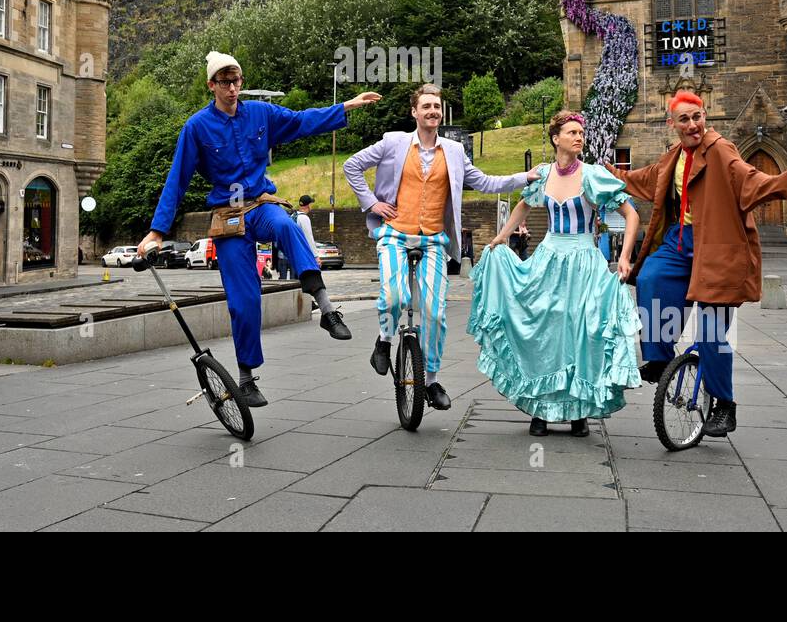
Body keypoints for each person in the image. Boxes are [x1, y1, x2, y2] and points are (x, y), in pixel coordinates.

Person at [138, 52, 381, 409]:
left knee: (287, 223)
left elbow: (301, 122)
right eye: (225, 83)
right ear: (212, 85)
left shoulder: (260, 113)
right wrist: (157, 233)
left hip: (260, 204)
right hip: (228, 216)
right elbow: (177, 180)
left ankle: (327, 308)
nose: (233, 88)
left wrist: (345, 106)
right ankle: (247, 378)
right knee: (244, 300)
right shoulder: (196, 127)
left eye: (237, 81)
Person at [608, 90, 787, 437]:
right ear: (672, 124)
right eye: (684, 119)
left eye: (697, 117)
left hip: (716, 246)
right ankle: (659, 358)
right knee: (651, 278)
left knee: (713, 334)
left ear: (705, 118)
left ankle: (723, 406)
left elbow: (747, 177)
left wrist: (779, 184)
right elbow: (643, 179)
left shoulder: (721, 150)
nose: (692, 125)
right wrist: (605, 174)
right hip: (681, 242)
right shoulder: (673, 156)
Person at [343, 83, 537, 412]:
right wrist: (372, 203)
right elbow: (352, 166)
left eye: (437, 106)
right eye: (427, 106)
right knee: (395, 296)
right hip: (394, 232)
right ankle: (384, 339)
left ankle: (431, 380)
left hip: (433, 238)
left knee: (434, 312)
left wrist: (524, 177)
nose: (433, 110)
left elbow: (485, 182)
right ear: (415, 112)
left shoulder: (455, 151)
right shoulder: (393, 142)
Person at [469, 111, 642, 437]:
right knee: (543, 330)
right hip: (549, 258)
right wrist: (502, 236)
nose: (579, 137)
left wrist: (625, 257)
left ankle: (579, 412)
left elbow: (631, 214)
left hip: (583, 262)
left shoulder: (593, 175)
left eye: (581, 132)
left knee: (580, 331)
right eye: (572, 132)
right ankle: (540, 409)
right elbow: (523, 204)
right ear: (556, 138)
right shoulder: (544, 174)